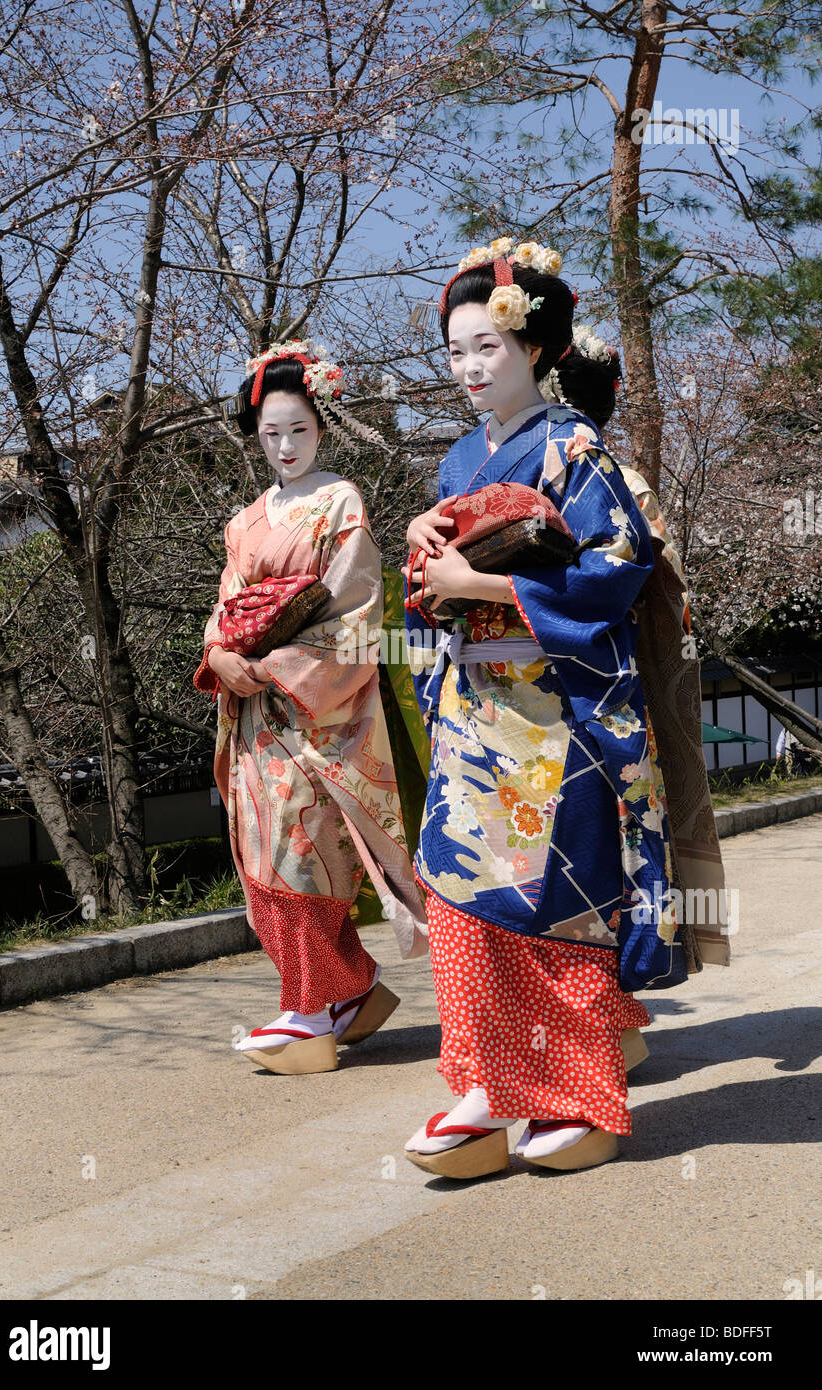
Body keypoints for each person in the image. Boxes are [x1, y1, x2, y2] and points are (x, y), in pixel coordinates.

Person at [401, 237, 680, 1177]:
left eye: (487, 346)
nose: (470, 368)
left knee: (555, 905)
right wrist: (427, 571)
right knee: (459, 903)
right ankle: (482, 1086)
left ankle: (580, 1100)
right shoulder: (454, 459)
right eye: (455, 352)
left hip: (552, 711)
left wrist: (479, 581)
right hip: (474, 708)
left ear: (534, 349)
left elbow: (617, 564)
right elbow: (437, 583)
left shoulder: (573, 445)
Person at [194, 340, 427, 1075]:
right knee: (261, 854)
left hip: (316, 709)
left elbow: (355, 613)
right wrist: (221, 658)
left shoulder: (340, 502)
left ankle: (309, 1013)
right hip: (255, 716)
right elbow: (226, 608)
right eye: (271, 434)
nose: (286, 446)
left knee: (303, 854)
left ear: (321, 427)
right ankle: (347, 992)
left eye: (298, 430)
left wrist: (277, 667)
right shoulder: (244, 520)